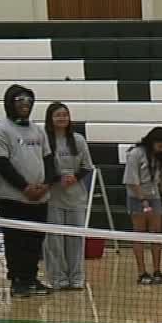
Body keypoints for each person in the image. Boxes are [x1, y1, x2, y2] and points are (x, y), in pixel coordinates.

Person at [0, 84, 56, 298]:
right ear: (10, 103)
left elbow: (48, 159)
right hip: (14, 198)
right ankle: (17, 280)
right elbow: (1, 162)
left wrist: (46, 184)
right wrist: (25, 187)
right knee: (16, 240)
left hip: (39, 197)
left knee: (35, 240)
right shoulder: (0, 130)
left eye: (28, 101)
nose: (25, 105)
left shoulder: (38, 130)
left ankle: (31, 277)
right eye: (20, 101)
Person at [41, 102, 94, 291]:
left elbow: (87, 166)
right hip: (52, 197)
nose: (62, 118)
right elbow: (41, 167)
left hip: (76, 198)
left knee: (75, 239)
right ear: (50, 118)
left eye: (65, 114)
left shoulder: (78, 140)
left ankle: (76, 279)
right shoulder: (44, 140)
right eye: (58, 115)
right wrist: (56, 179)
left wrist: (74, 178)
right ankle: (58, 279)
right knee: (54, 241)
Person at [124, 127, 162, 286]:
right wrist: (143, 201)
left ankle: (157, 270)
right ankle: (142, 272)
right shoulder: (136, 153)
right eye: (159, 145)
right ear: (152, 142)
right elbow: (132, 181)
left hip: (154, 197)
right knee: (139, 234)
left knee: (156, 234)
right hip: (137, 197)